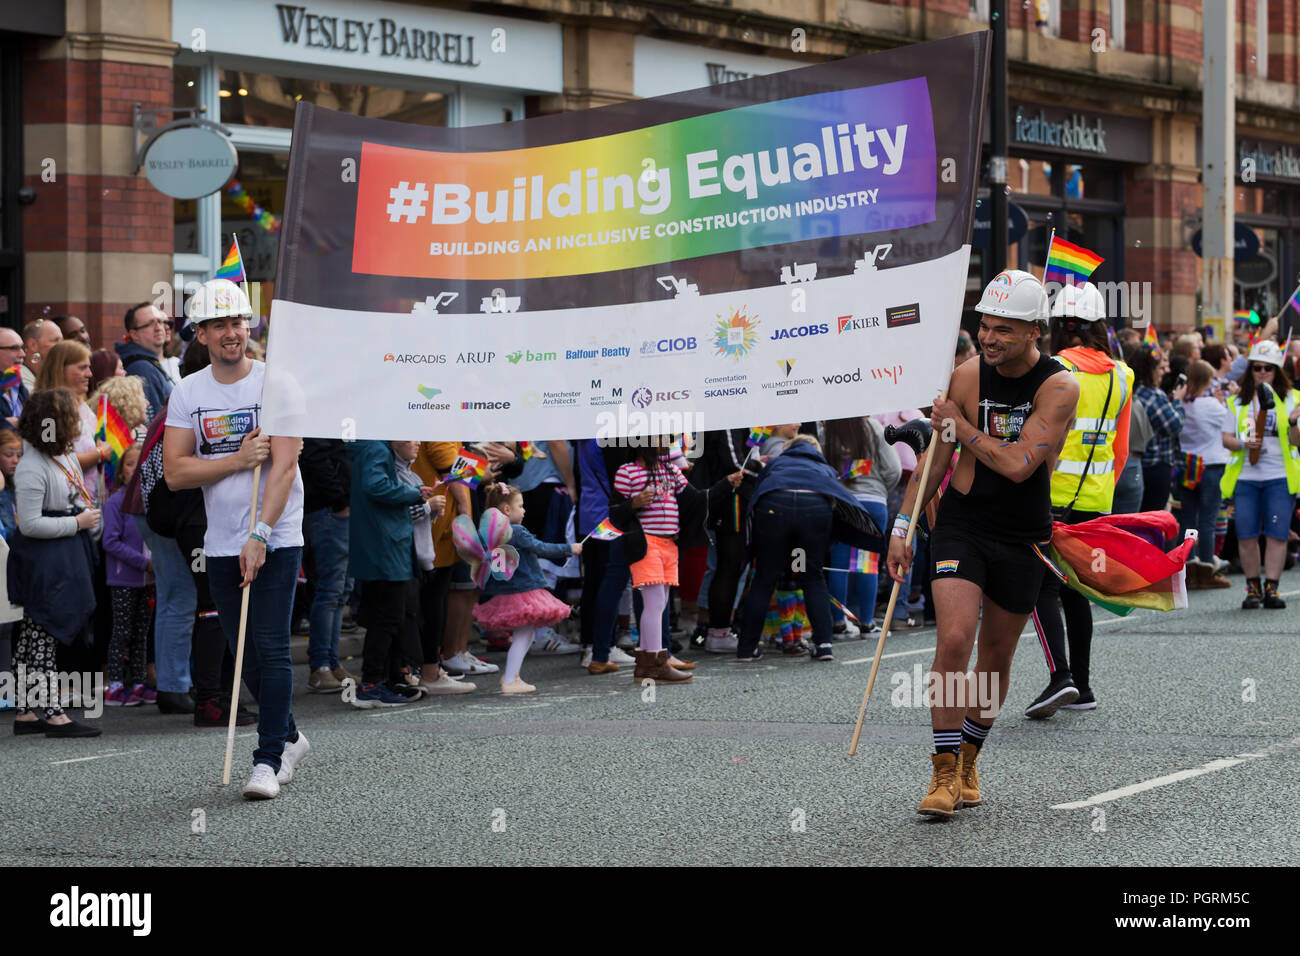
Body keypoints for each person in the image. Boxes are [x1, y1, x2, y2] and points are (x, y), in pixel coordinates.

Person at [888, 270, 1078, 817]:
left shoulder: (1059, 385)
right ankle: (944, 770)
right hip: (962, 525)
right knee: (952, 640)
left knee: (995, 657)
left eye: (1003, 330)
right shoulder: (967, 376)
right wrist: (902, 526)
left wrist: (961, 427)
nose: (990, 338)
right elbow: (937, 460)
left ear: (1033, 331)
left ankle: (971, 756)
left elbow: (1020, 464)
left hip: (1023, 534)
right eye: (984, 326)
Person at [163, 278, 308, 800]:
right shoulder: (189, 391)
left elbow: (286, 465)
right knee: (242, 650)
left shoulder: (278, 383)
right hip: (220, 539)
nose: (232, 333)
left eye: (239, 322)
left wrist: (260, 534)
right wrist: (236, 460)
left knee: (269, 646)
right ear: (201, 333)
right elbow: (176, 473)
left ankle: (267, 760)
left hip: (276, 534)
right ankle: (289, 734)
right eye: (220, 324)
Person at [1026, 282, 1133, 719]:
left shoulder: (1052, 368)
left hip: (1049, 495)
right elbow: (1121, 448)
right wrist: (1103, 489)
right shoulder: (1122, 375)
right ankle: (1083, 686)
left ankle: (1061, 677)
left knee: (1040, 588)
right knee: (1076, 591)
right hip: (1097, 498)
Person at [739, 433, 881, 663]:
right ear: (815, 450)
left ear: (789, 449)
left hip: (774, 509)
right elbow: (834, 504)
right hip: (812, 514)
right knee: (811, 578)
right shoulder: (823, 468)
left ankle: (747, 649)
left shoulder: (776, 462)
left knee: (765, 579)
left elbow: (760, 486)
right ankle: (824, 645)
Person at [8, 388, 102, 738]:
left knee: (33, 633)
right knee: (43, 631)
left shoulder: (61, 454)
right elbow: (29, 524)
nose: (77, 423)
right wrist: (77, 522)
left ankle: (25, 711)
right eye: (72, 418)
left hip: (61, 551)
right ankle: (52, 713)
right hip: (42, 557)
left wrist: (79, 516)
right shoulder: (33, 464)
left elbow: (72, 497)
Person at [346, 438, 440, 707]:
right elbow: (375, 486)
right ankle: (372, 685)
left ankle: (382, 682)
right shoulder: (377, 447)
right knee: (388, 618)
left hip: (383, 544)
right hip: (386, 545)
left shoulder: (372, 446)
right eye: (408, 434)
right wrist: (412, 492)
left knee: (385, 617)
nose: (416, 440)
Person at [471, 481, 582, 693]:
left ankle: (514, 676)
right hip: (523, 591)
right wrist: (569, 548)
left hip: (507, 592)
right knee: (524, 635)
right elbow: (540, 547)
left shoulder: (489, 533)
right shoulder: (517, 531)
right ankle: (511, 679)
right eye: (520, 505)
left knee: (527, 634)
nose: (524, 510)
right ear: (506, 509)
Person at [1221, 339, 1300, 610]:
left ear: (1278, 370)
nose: (1262, 372)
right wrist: (1244, 443)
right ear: (1250, 370)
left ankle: (1273, 590)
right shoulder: (1236, 401)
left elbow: (1297, 441)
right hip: (1246, 478)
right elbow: (1226, 439)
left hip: (1280, 476)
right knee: (1246, 533)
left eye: (1268, 368)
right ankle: (1253, 588)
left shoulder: (1292, 399)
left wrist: (1292, 421)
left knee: (1278, 534)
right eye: (1257, 368)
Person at [821, 416, 900, 638]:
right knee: (867, 564)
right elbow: (893, 469)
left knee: (838, 564)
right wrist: (879, 489)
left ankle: (838, 623)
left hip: (841, 502)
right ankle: (866, 623)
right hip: (873, 502)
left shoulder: (825, 431)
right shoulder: (873, 427)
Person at [299, 438, 355, 693]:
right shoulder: (317, 415)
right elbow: (315, 457)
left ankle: (331, 663)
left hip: (332, 508)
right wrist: (339, 500)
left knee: (340, 589)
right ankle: (321, 666)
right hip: (327, 509)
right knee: (331, 589)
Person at [102, 443, 154, 707]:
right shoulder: (115, 503)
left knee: (141, 632)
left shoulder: (149, 500)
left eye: (139, 464)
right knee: (121, 631)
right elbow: (110, 541)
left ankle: (138, 682)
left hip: (147, 580)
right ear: (122, 472)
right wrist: (143, 563)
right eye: (129, 464)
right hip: (124, 579)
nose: (135, 469)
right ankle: (115, 685)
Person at [33, 341, 112, 507]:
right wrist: (99, 454)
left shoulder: (81, 405)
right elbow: (52, 459)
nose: (89, 374)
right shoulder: (47, 409)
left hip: (88, 505)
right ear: (60, 369)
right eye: (82, 368)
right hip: (62, 508)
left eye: (89, 367)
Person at [1177, 359, 1233, 589]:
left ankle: (1188, 568)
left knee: (1188, 519)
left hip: (1187, 465)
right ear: (1206, 381)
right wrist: (1224, 401)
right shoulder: (1210, 404)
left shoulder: (1181, 404)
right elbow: (1231, 423)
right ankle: (1207, 569)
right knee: (1208, 521)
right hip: (1210, 465)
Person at [1130, 344, 1186, 513]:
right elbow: (1173, 425)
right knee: (1151, 519)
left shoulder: (1133, 389)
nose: (1165, 372)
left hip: (1137, 464)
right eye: (1160, 367)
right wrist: (1178, 401)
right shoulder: (1152, 394)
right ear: (1150, 369)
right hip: (1155, 464)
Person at [117, 303, 175, 418]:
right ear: (134, 335)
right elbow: (152, 420)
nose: (159, 328)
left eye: (160, 321)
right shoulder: (142, 368)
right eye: (149, 324)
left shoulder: (149, 362)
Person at [20, 318, 62, 394]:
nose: (63, 345)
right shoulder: (19, 376)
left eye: (62, 341)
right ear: (33, 345)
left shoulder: (49, 374)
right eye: (55, 340)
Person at [0, 326, 29, 430]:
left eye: (22, 347)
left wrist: (17, 422)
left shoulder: (15, 380)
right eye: (14, 348)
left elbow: (36, 419)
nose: (23, 354)